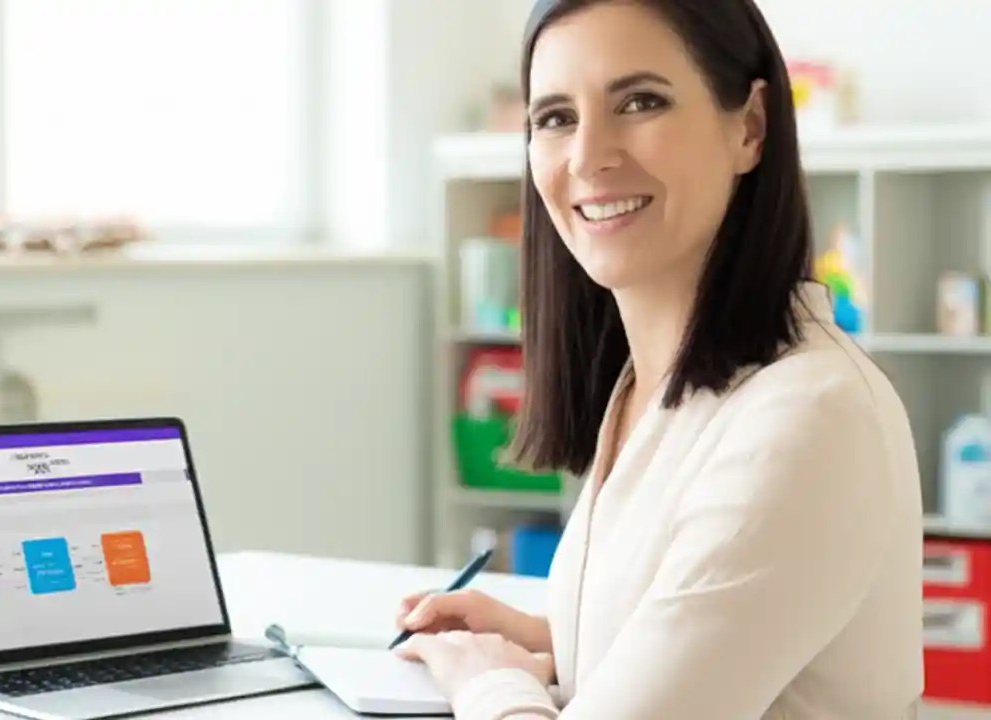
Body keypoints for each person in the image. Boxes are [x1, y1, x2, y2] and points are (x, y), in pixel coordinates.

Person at [394, 1, 924, 718]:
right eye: (555, 118)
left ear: (751, 127)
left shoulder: (808, 416)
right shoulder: (646, 388)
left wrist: (489, 680)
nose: (589, 156)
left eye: (640, 101)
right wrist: (551, 642)